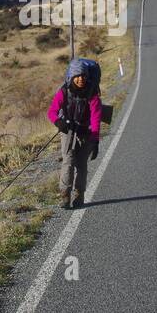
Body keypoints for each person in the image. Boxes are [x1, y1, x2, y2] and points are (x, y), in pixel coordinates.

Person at [47, 64, 101, 209]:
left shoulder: (92, 93)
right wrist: (59, 122)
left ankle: (79, 195)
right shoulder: (64, 91)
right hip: (68, 131)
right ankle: (65, 196)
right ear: (72, 77)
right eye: (77, 76)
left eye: (83, 76)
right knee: (68, 162)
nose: (81, 79)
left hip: (86, 132)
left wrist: (95, 141)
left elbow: (96, 118)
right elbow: (52, 112)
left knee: (82, 165)